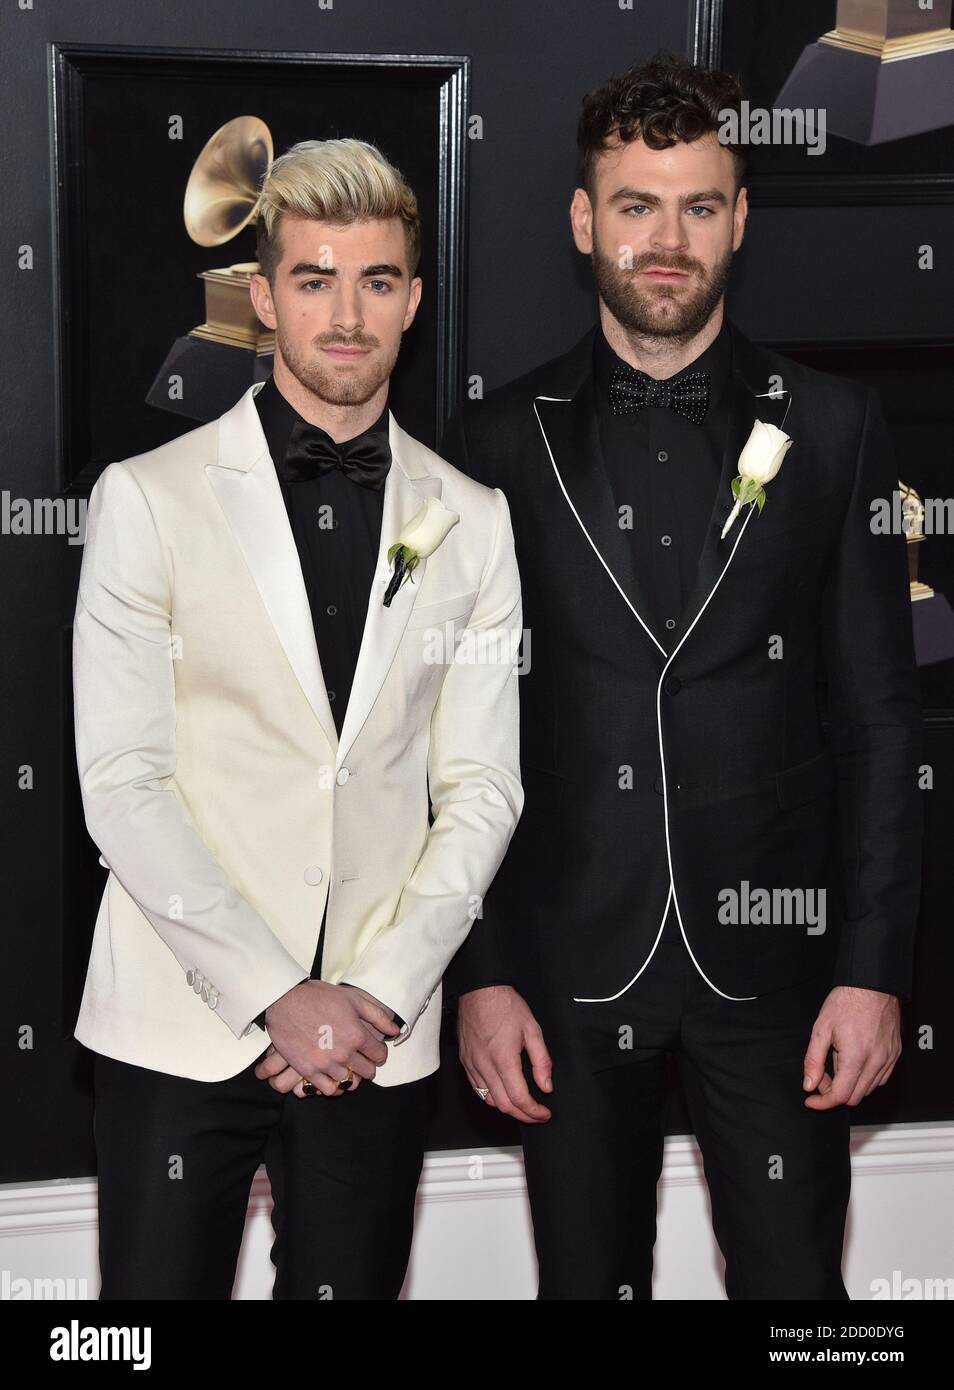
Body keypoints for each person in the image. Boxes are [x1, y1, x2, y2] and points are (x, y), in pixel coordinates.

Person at [442, 53, 923, 1300]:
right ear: (584, 218)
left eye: (700, 205)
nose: (668, 239)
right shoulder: (493, 441)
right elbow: (456, 736)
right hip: (563, 973)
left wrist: (872, 970)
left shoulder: (831, 427)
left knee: (799, 1301)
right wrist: (482, 975)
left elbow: (879, 718)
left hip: (780, 978)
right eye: (638, 204)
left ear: (741, 219)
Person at [72, 137, 523, 1299]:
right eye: (314, 278)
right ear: (263, 294)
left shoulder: (472, 521)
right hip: (180, 1021)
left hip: (378, 1036)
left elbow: (482, 788)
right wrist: (280, 993)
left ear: (412, 300)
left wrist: (369, 996)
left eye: (376, 281)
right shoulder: (148, 499)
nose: (346, 313)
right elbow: (124, 783)